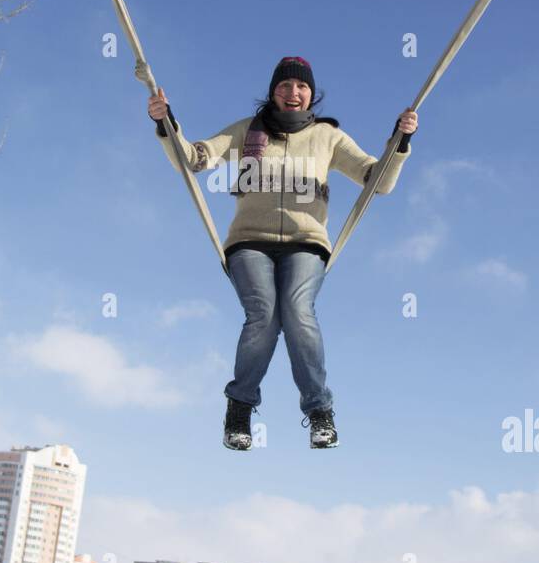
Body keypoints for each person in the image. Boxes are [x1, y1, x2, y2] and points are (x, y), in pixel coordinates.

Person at [148, 56, 417, 451]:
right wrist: (164, 122)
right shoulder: (247, 131)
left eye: (301, 87)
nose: (293, 93)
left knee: (296, 310)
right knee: (263, 314)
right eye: (285, 86)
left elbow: (377, 181)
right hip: (249, 241)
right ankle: (239, 408)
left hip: (305, 242)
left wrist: (400, 141)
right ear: (273, 93)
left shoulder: (329, 138)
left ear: (312, 95)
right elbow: (195, 158)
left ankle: (320, 411)